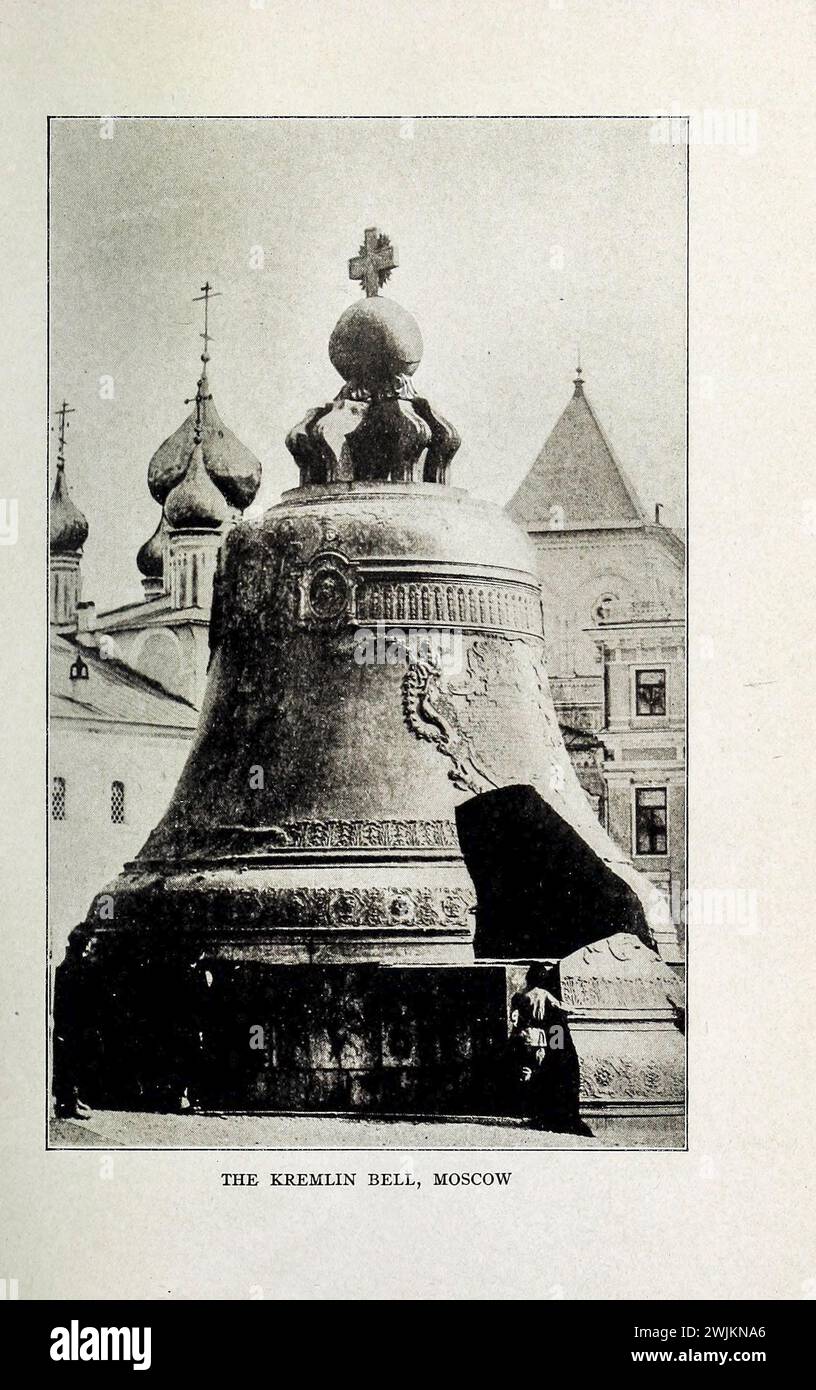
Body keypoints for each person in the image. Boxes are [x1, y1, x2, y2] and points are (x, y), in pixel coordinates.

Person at [510, 963, 592, 1136]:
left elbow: (514, 1018)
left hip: (525, 1036)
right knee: (548, 1072)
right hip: (544, 1036)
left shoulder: (518, 996)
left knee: (529, 1072)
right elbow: (561, 1007)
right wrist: (580, 1012)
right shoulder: (544, 995)